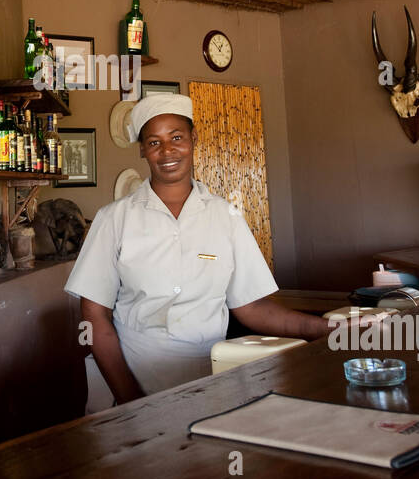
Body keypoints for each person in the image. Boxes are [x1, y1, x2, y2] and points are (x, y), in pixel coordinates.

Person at [65, 93, 356, 409]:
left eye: (177, 137)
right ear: (142, 150)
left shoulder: (225, 217)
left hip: (215, 377)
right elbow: (94, 314)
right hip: (134, 373)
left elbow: (252, 307)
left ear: (193, 139)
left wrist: (326, 328)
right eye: (154, 142)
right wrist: (128, 397)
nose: (167, 151)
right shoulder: (114, 219)